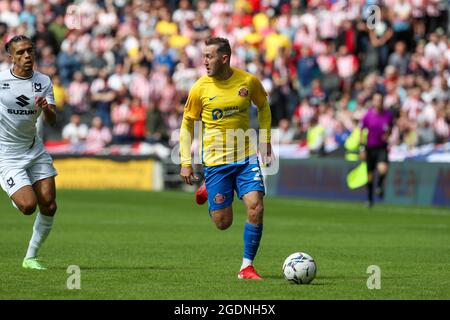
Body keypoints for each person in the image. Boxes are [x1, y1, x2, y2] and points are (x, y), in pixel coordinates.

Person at [179, 37, 272, 280]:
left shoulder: (247, 81)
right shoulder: (200, 88)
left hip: (246, 158)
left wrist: (266, 140)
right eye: (203, 56)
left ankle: (246, 267)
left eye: (209, 57)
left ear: (224, 58)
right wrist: (185, 161)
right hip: (216, 162)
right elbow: (187, 123)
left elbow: (263, 106)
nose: (204, 61)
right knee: (223, 223)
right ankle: (209, 186)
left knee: (256, 207)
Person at [0, 35, 58, 270]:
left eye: (30, 51)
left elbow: (53, 121)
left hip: (34, 150)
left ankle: (30, 257)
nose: (27, 56)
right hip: (7, 155)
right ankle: (15, 188)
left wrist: (46, 109)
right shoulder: (1, 80)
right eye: (22, 52)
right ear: (11, 56)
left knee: (50, 205)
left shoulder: (43, 81)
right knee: (28, 206)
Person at [360, 91, 394, 208]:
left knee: (383, 168)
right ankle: (370, 199)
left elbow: (390, 128)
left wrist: (388, 134)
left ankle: (379, 186)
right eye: (376, 99)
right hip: (369, 147)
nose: (378, 102)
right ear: (373, 101)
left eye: (380, 100)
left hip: (381, 147)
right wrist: (362, 148)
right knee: (370, 175)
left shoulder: (388, 115)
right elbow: (362, 131)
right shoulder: (368, 115)